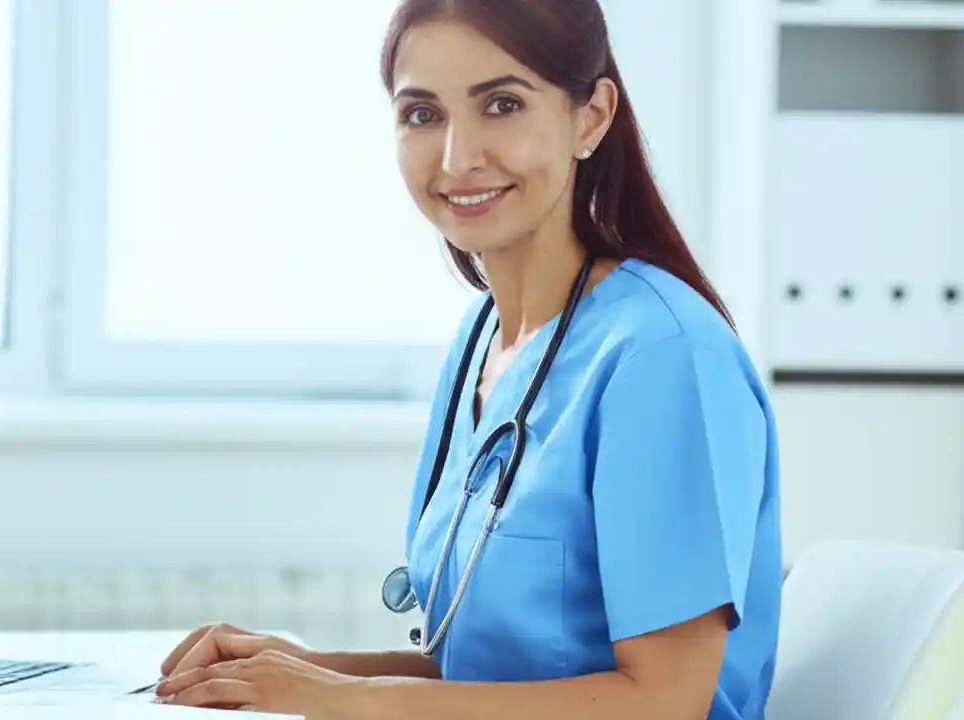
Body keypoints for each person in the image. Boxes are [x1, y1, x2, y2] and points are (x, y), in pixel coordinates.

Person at [152, 0, 782, 718]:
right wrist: (301, 669)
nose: (457, 158)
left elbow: (663, 700)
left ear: (591, 117)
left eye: (503, 104)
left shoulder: (663, 356)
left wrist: (349, 699)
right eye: (422, 114)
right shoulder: (483, 341)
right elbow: (484, 671)